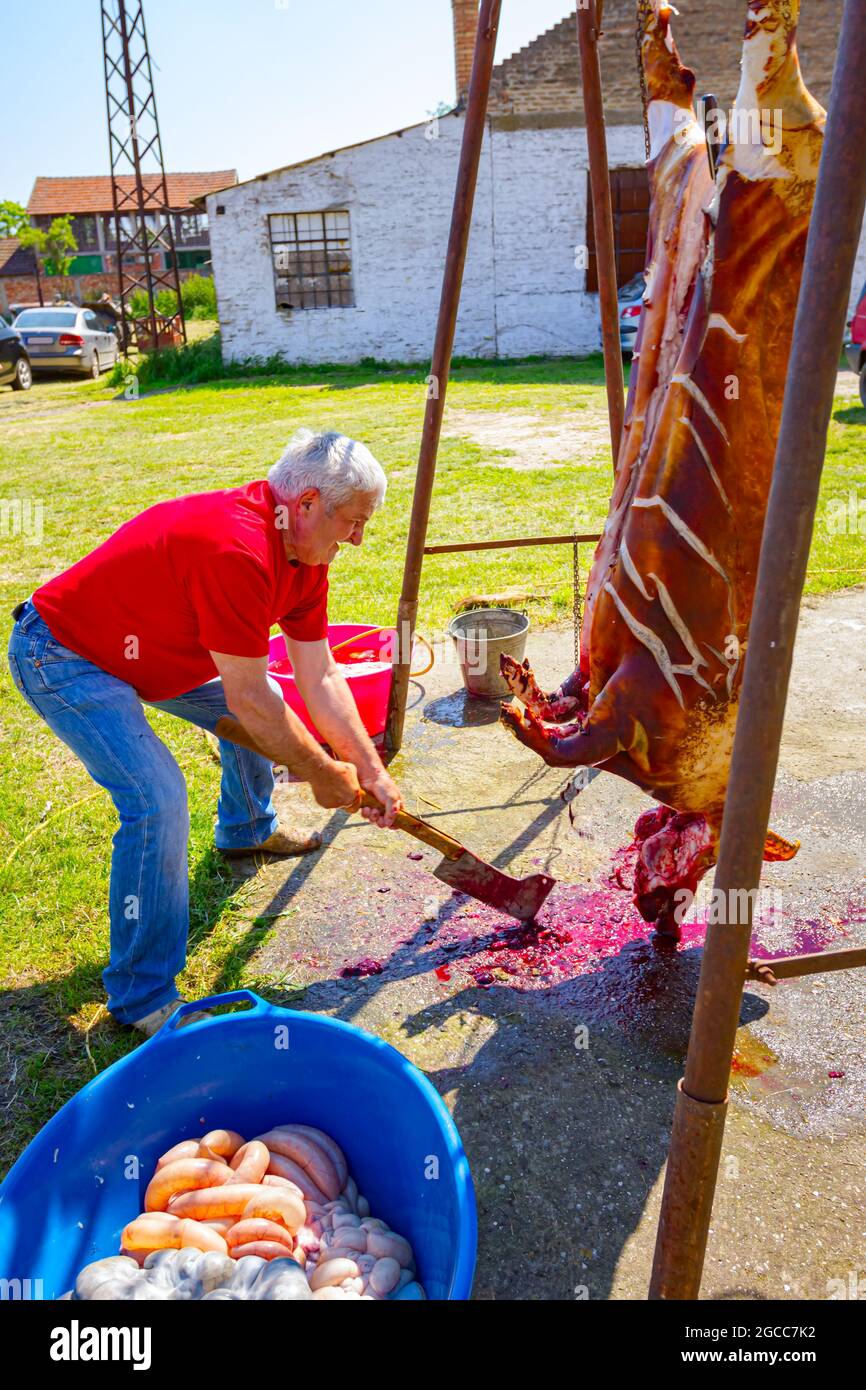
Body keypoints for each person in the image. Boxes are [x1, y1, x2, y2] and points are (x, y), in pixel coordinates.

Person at [7, 429, 403, 1035]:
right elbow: (250, 696)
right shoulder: (236, 548)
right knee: (157, 796)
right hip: (64, 654)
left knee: (262, 713)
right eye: (353, 522)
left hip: (161, 654)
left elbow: (318, 673)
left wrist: (369, 768)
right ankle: (142, 996)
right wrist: (323, 774)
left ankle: (246, 829)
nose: (358, 538)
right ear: (305, 506)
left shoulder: (303, 557)